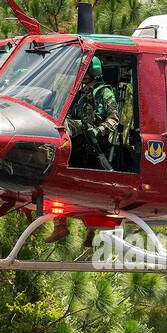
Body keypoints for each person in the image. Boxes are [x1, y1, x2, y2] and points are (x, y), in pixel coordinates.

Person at [48, 56, 120, 242]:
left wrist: (97, 131)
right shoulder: (78, 93)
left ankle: (92, 230)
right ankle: (60, 225)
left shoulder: (104, 93)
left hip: (94, 141)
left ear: (93, 72)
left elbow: (114, 118)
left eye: (86, 71)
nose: (83, 75)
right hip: (77, 141)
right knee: (60, 179)